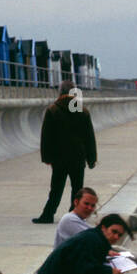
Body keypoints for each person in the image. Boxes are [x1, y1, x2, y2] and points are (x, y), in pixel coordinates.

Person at [32, 81, 97, 223]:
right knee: (77, 189)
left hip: (59, 158)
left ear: (60, 92)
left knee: (56, 188)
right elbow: (89, 137)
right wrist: (91, 158)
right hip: (78, 157)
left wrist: (46, 157)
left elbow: (46, 137)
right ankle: (75, 216)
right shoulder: (82, 111)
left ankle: (48, 215)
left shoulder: (53, 110)